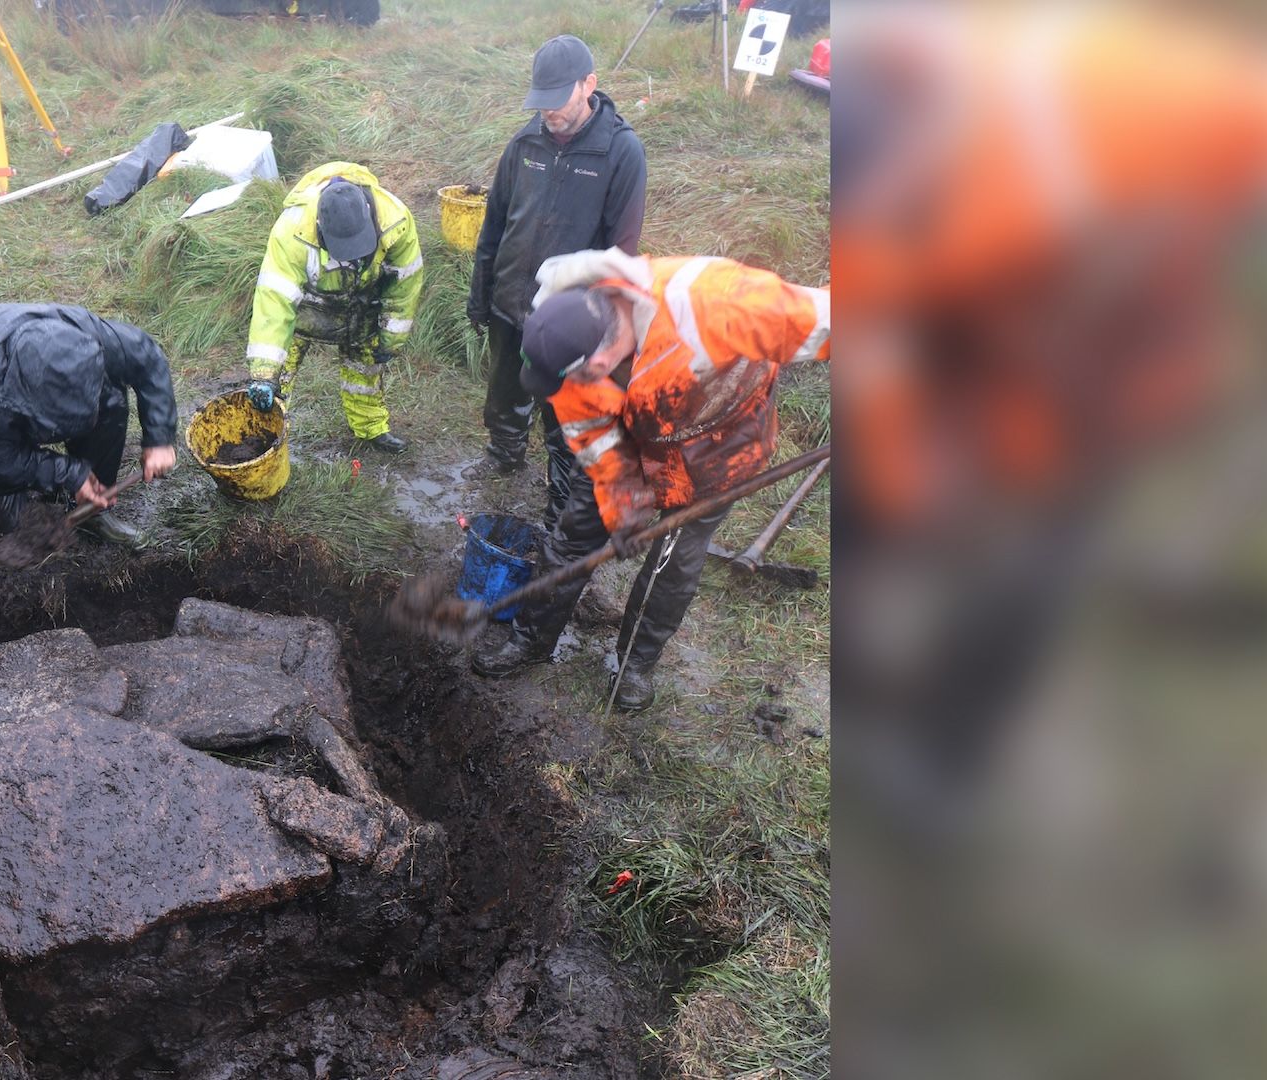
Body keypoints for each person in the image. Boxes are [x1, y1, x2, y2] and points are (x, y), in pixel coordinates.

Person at [471, 249, 830, 710]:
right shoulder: (562, 354)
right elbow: (597, 442)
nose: (566, 392)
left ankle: (633, 665)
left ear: (598, 356)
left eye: (574, 378)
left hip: (715, 448)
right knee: (572, 538)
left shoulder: (713, 305)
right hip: (634, 441)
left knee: (673, 562)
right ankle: (531, 639)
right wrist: (625, 509)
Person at [468, 34, 647, 486]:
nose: (548, 111)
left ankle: (562, 497)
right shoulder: (525, 144)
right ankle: (504, 453)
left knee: (564, 417)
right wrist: (482, 293)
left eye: (557, 99)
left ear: (589, 84)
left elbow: (621, 253)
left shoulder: (621, 152)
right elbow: (494, 226)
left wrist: (606, 328)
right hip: (510, 303)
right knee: (505, 393)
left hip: (568, 320)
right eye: (540, 100)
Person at [0, 303, 178, 553]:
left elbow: (147, 360)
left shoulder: (89, 338)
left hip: (18, 371)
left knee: (110, 401)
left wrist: (159, 437)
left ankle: (92, 503)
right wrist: (69, 472)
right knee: (2, 527)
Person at [244, 161, 425, 453]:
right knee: (277, 380)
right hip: (307, 309)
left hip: (362, 305)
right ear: (320, 227)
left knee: (365, 372)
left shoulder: (396, 220)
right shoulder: (292, 232)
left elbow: (405, 284)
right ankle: (265, 437)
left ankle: (371, 429)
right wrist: (263, 374)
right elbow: (274, 301)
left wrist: (391, 339)